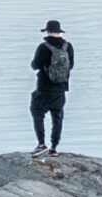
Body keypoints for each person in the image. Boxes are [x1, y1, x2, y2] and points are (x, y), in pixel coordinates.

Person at [30, 19, 74, 153]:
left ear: (47, 31)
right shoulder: (68, 47)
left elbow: (34, 65)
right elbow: (71, 66)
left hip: (44, 88)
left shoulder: (43, 47)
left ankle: (41, 144)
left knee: (37, 112)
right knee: (57, 117)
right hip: (60, 89)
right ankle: (54, 147)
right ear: (59, 31)